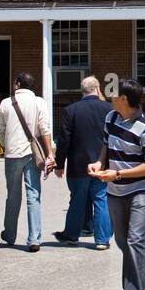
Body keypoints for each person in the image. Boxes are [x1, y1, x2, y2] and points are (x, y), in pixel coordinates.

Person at [88, 79, 145, 290]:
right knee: (122, 240)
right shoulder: (111, 118)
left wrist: (118, 173)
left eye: (114, 94)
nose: (110, 97)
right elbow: (106, 145)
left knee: (135, 241)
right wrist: (99, 162)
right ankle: (141, 283)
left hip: (141, 191)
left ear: (125, 99)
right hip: (115, 191)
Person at [52, 76, 113, 250]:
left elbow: (64, 140)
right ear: (98, 88)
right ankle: (102, 239)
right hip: (102, 163)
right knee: (101, 199)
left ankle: (72, 235)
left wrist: (59, 163)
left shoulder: (71, 110)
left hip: (78, 163)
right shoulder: (109, 109)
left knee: (77, 200)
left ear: (82, 89)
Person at [0, 72, 54, 252]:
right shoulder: (39, 102)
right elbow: (45, 128)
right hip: (33, 153)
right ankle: (34, 238)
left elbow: (0, 128)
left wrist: (6, 144)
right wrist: (50, 153)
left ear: (17, 84)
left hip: (13, 153)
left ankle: (10, 233)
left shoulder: (6, 102)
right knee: (33, 195)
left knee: (12, 196)